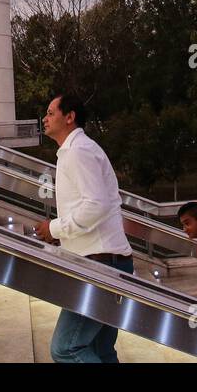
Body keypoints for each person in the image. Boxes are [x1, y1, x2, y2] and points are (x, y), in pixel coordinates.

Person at [32, 93, 134, 363]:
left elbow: (97, 205)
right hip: (109, 261)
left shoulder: (78, 151)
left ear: (70, 117)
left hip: (101, 266)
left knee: (67, 348)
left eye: (51, 112)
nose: (45, 117)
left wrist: (54, 229)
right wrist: (62, 236)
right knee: (100, 351)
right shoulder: (76, 150)